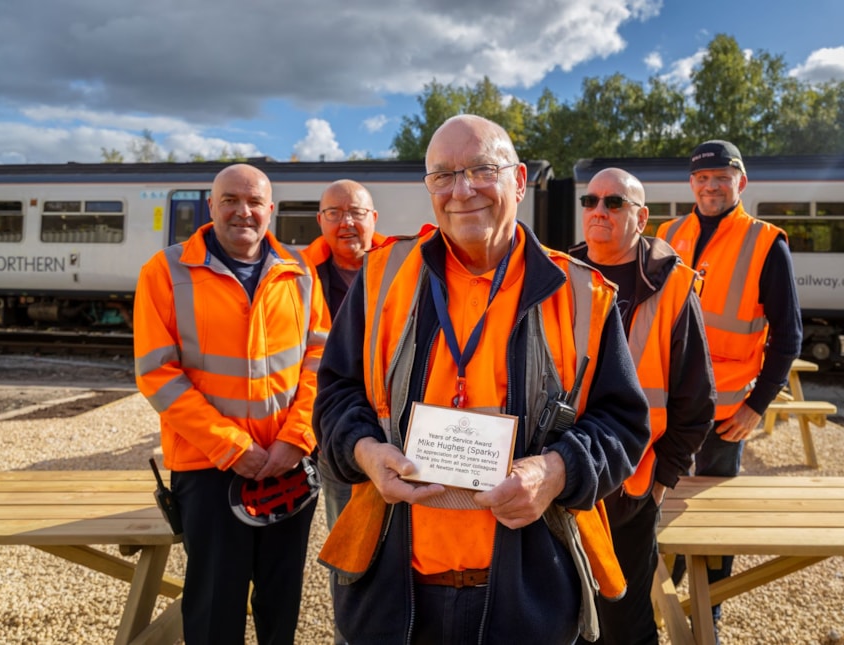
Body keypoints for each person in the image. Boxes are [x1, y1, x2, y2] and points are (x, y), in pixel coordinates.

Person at [313, 114, 651, 645]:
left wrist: (554, 472)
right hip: (395, 593)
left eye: (481, 170)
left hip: (529, 599)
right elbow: (335, 395)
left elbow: (623, 425)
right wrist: (365, 453)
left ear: (519, 181)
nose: (461, 190)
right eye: (443, 176)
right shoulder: (382, 277)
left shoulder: (582, 294)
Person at [133, 163, 329, 645]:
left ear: (270, 209)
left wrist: (297, 438)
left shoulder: (300, 271)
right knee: (215, 603)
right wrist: (231, 447)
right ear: (211, 207)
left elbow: (321, 362)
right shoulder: (166, 271)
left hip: (288, 465)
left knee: (281, 598)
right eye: (230, 201)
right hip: (209, 468)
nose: (244, 211)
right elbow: (156, 373)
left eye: (254, 201)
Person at [656, 141, 802, 638]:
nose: (711, 186)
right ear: (691, 184)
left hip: (726, 412)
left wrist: (757, 406)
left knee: (713, 518)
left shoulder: (766, 242)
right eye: (702, 178)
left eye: (722, 177)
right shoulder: (667, 234)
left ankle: (710, 610)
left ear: (741, 182)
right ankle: (666, 591)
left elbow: (789, 335)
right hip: (668, 407)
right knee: (661, 502)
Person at [569, 167, 716, 644]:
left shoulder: (673, 287)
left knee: (625, 623)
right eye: (591, 201)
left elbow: (697, 401)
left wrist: (659, 483)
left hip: (630, 488)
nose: (599, 211)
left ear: (642, 217)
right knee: (566, 613)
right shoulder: (559, 274)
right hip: (562, 481)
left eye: (614, 203)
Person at [303, 179, 386, 645]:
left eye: (356, 212)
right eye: (334, 213)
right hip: (338, 440)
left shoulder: (403, 267)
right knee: (348, 550)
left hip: (399, 436)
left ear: (374, 219)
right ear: (320, 221)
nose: (346, 222)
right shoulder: (299, 277)